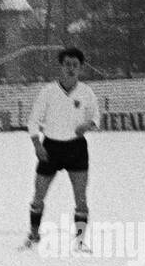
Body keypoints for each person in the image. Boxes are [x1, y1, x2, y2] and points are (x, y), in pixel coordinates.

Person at [20, 48, 99, 254]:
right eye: (67, 64)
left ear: (80, 67)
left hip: (76, 148)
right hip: (51, 148)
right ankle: (34, 234)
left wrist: (87, 125)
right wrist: (38, 146)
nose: (71, 68)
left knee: (81, 198)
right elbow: (33, 121)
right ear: (61, 66)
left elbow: (95, 118)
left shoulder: (86, 92)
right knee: (38, 195)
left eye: (75, 65)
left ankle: (80, 241)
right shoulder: (48, 92)